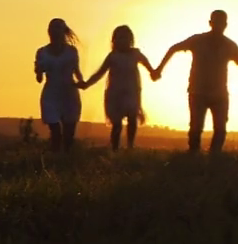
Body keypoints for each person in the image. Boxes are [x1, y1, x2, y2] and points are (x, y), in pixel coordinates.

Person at [152, 9, 238, 154]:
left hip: (219, 94)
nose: (219, 26)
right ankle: (194, 156)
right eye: (216, 22)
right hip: (198, 91)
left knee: (220, 129)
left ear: (226, 25)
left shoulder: (230, 46)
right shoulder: (197, 40)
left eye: (222, 23)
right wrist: (159, 69)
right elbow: (174, 48)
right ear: (210, 23)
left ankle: (214, 158)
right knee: (196, 127)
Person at [78, 25, 155, 150]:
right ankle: (115, 148)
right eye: (119, 38)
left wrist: (153, 72)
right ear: (114, 41)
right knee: (117, 124)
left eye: (125, 38)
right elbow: (100, 73)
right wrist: (86, 84)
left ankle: (130, 145)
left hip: (131, 92)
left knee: (132, 118)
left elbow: (149, 67)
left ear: (130, 40)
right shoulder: (112, 56)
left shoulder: (135, 54)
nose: (122, 41)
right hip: (115, 94)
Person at [33, 17, 84, 151]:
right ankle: (55, 158)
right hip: (51, 94)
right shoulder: (42, 52)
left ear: (63, 32)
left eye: (58, 29)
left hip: (69, 93)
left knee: (69, 133)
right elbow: (39, 79)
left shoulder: (72, 51)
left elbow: (76, 70)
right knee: (55, 130)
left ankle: (66, 161)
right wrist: (38, 71)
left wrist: (82, 82)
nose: (55, 32)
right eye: (52, 29)